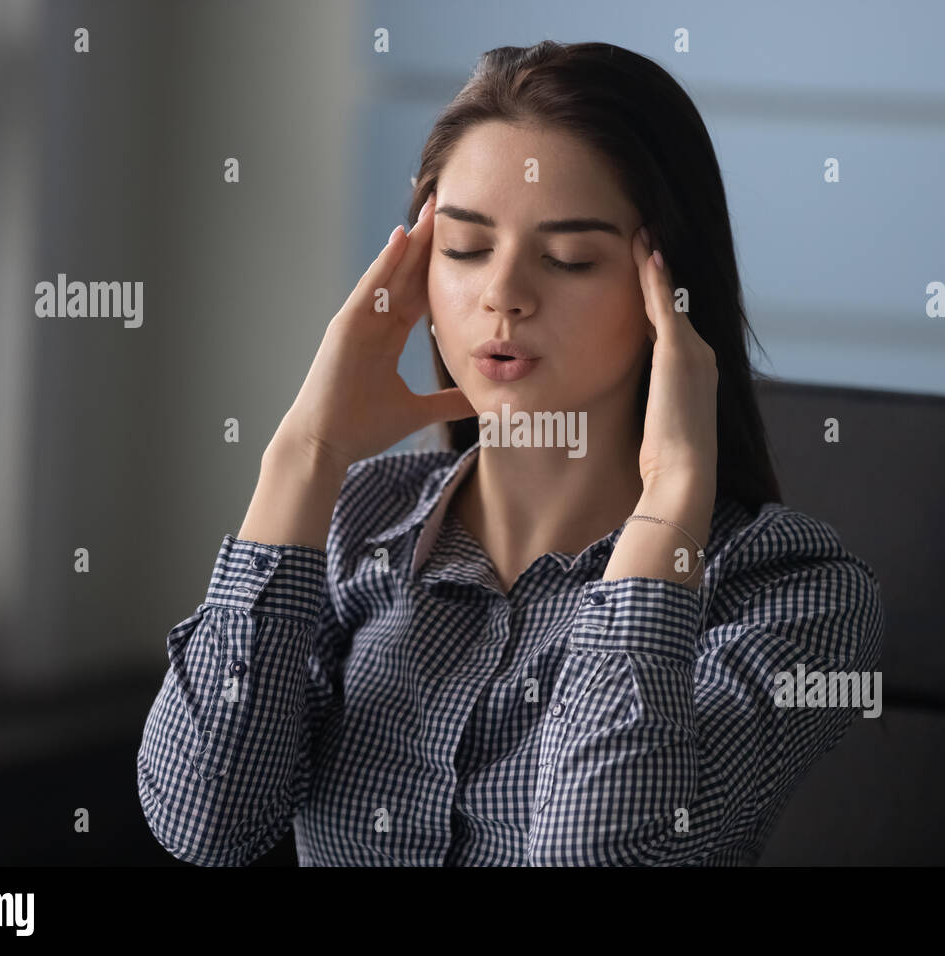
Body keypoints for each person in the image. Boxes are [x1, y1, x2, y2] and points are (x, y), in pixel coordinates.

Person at [137, 40, 884, 866]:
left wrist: (671, 500)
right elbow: (206, 824)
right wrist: (303, 456)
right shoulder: (356, 526)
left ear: (668, 297)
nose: (503, 295)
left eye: (568, 259)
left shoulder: (792, 595)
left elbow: (598, 855)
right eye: (463, 248)